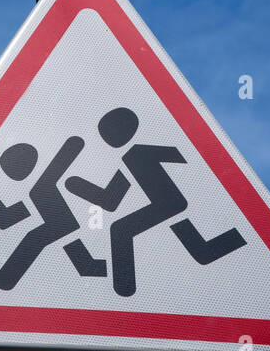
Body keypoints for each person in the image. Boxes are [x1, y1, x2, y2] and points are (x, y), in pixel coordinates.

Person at [65, 107, 246, 297]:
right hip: (171, 205)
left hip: (166, 203)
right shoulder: (131, 158)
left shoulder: (139, 153)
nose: (106, 138)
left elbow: (185, 157)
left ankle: (124, 286)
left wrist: (76, 185)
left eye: (108, 132)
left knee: (121, 230)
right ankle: (238, 237)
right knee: (201, 249)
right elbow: (111, 199)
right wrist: (79, 187)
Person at [0, 138, 106, 290]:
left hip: (62, 223)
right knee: (86, 264)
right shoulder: (37, 186)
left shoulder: (43, 182)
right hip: (63, 224)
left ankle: (5, 280)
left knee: (35, 239)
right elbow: (7, 218)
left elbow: (69, 152)